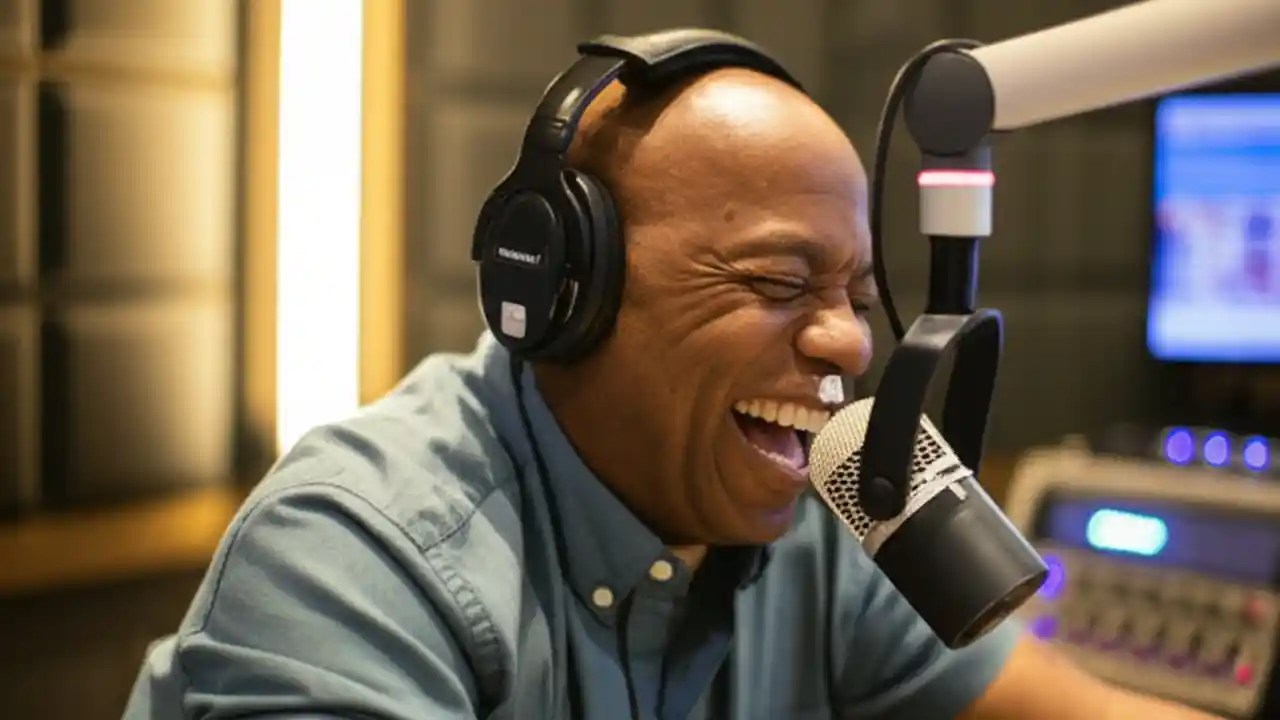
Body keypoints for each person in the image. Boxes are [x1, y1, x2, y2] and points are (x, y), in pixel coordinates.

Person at [124, 31, 1219, 719]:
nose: (845, 343)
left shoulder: (825, 514)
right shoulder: (352, 558)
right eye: (781, 281)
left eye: (854, 293)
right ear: (565, 287)